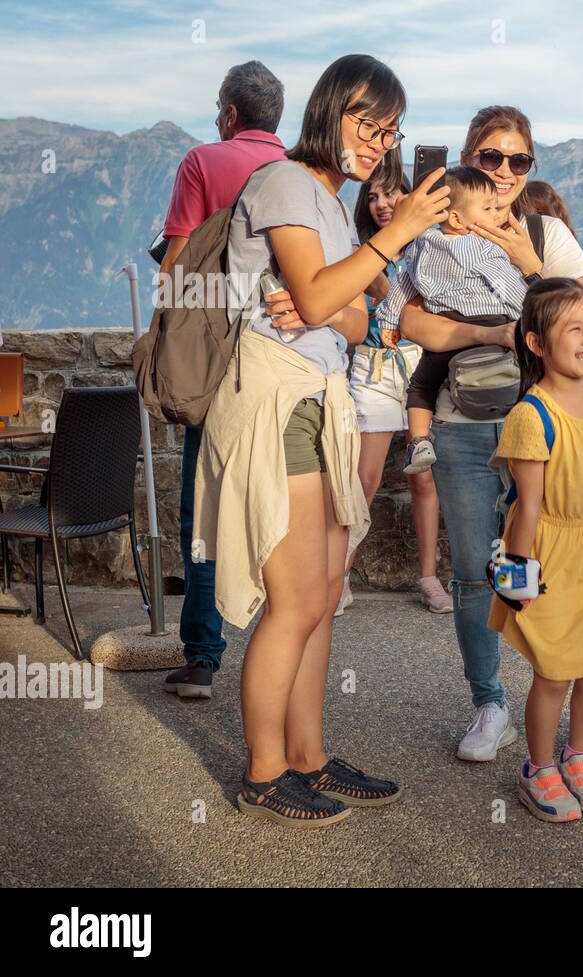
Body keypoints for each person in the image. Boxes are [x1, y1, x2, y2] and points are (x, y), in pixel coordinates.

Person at [194, 54, 449, 826]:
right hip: (275, 401)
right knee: (295, 599)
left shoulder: (333, 206)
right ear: (330, 108)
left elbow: (351, 315)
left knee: (324, 597)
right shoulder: (283, 183)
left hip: (320, 400)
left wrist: (328, 301)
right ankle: (265, 771)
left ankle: (308, 754)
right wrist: (392, 235)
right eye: (367, 122)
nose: (378, 141)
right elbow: (315, 296)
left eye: (391, 129)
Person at [394, 106, 583, 763]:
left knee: (569, 564)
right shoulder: (430, 234)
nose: (506, 172)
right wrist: (490, 332)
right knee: (475, 574)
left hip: (547, 429)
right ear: (470, 158)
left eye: (520, 160)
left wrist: (524, 255)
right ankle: (489, 704)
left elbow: (580, 327)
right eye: (492, 157)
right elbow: (414, 326)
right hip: (463, 429)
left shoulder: (547, 233)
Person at [488, 279, 583, 822]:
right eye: (573, 328)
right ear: (536, 343)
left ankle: (575, 756)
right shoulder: (533, 414)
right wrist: (517, 578)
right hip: (546, 552)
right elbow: (526, 507)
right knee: (554, 670)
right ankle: (537, 767)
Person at [158, 60, 287, 700]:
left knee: (202, 507)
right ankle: (281, 638)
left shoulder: (202, 162)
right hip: (285, 356)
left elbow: (179, 265)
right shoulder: (299, 172)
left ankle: (204, 656)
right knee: (281, 501)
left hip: (216, 358)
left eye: (218, 107)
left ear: (230, 113)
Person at [340, 170, 450, 615]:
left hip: (421, 366)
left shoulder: (433, 248)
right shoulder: (359, 254)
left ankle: (429, 579)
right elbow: (354, 320)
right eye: (373, 196)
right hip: (374, 368)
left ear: (411, 196)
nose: (383, 203)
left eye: (392, 193)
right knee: (363, 479)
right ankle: (339, 576)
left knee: (422, 475)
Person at [376, 166, 527, 474]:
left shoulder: (420, 245)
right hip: (491, 320)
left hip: (445, 328)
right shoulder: (483, 248)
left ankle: (419, 441)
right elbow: (506, 285)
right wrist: (527, 316)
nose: (496, 213)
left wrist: (389, 320)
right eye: (488, 208)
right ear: (458, 219)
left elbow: (404, 286)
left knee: (421, 384)